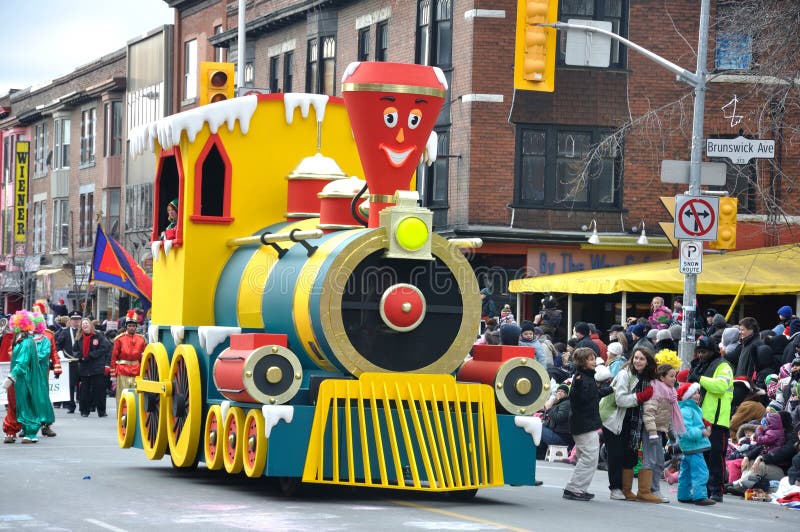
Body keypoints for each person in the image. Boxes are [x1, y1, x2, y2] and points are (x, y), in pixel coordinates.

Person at [601, 346, 657, 501]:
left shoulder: (647, 378)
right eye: (636, 358)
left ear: (648, 362)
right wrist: (640, 397)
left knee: (630, 455)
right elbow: (620, 400)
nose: (638, 361)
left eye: (642, 359)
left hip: (633, 421)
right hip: (614, 418)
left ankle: (626, 489)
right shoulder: (624, 374)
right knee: (616, 455)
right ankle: (615, 488)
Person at [687, 335, 733, 502]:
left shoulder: (723, 365)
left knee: (715, 457)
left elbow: (721, 386)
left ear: (712, 351)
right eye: (699, 351)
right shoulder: (700, 366)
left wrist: (700, 378)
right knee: (702, 458)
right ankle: (703, 490)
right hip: (701, 420)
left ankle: (717, 490)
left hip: (717, 420)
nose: (700, 355)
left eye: (704, 351)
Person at [2, 311, 51, 443]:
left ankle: (30, 432)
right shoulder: (20, 340)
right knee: (13, 405)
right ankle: (11, 430)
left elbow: (22, 362)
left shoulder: (27, 342)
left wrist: (12, 376)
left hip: (24, 379)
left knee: (25, 404)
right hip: (17, 379)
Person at [641, 363, 685, 503]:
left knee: (659, 461)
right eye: (671, 376)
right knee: (651, 460)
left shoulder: (669, 392)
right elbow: (649, 413)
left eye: (675, 376)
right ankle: (646, 491)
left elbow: (666, 416)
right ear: (662, 377)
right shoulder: (657, 391)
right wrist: (652, 432)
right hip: (651, 431)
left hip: (659, 431)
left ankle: (654, 490)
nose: (674, 379)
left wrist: (670, 433)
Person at [562, 347, 601, 501]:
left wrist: (609, 390)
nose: (594, 362)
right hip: (585, 424)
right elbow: (579, 398)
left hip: (583, 423)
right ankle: (575, 489)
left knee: (586, 456)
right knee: (589, 457)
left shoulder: (585, 377)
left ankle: (577, 488)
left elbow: (592, 395)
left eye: (594, 359)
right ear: (583, 362)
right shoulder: (582, 379)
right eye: (591, 359)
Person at [676, 382, 716, 505]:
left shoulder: (691, 409)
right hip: (694, 447)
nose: (697, 395)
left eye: (698, 393)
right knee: (701, 472)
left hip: (688, 448)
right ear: (687, 396)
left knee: (686, 473)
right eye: (694, 393)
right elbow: (685, 430)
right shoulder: (687, 410)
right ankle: (700, 496)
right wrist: (702, 432)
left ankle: (683, 495)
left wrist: (705, 427)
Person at [73, 318, 112, 417]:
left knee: (99, 390)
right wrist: (79, 356)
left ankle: (101, 411)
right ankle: (84, 411)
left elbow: (105, 347)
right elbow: (75, 350)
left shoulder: (98, 336)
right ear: (81, 326)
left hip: (97, 367)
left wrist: (91, 355)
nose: (85, 325)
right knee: (84, 391)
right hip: (84, 367)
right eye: (83, 324)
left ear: (90, 325)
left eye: (86, 323)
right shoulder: (79, 338)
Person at [31, 313, 58, 437]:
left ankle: (46, 425)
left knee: (43, 398)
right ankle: (27, 425)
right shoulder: (25, 337)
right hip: (27, 373)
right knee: (28, 398)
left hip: (41, 372)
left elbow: (47, 353)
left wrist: (57, 367)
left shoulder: (46, 338)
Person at [111, 311, 146, 405]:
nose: (131, 328)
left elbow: (143, 358)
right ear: (126, 326)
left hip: (137, 370)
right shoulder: (119, 339)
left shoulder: (142, 339)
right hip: (122, 370)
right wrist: (113, 375)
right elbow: (114, 358)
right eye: (129, 325)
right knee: (122, 395)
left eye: (133, 326)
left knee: (136, 395)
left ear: (136, 326)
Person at [55, 311, 83, 413]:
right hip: (70, 362)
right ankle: (71, 405)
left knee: (84, 384)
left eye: (78, 320)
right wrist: (62, 357)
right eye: (74, 320)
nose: (76, 322)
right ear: (70, 321)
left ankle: (84, 406)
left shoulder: (84, 331)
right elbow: (58, 345)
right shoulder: (65, 332)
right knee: (70, 385)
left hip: (83, 361)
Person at [539, 383, 573, 459]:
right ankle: (540, 453)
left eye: (562, 391)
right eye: (558, 391)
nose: (559, 393)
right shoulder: (560, 403)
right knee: (538, 426)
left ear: (566, 394)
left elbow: (559, 418)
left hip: (561, 438)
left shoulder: (567, 404)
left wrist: (549, 409)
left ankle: (538, 454)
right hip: (557, 434)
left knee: (536, 428)